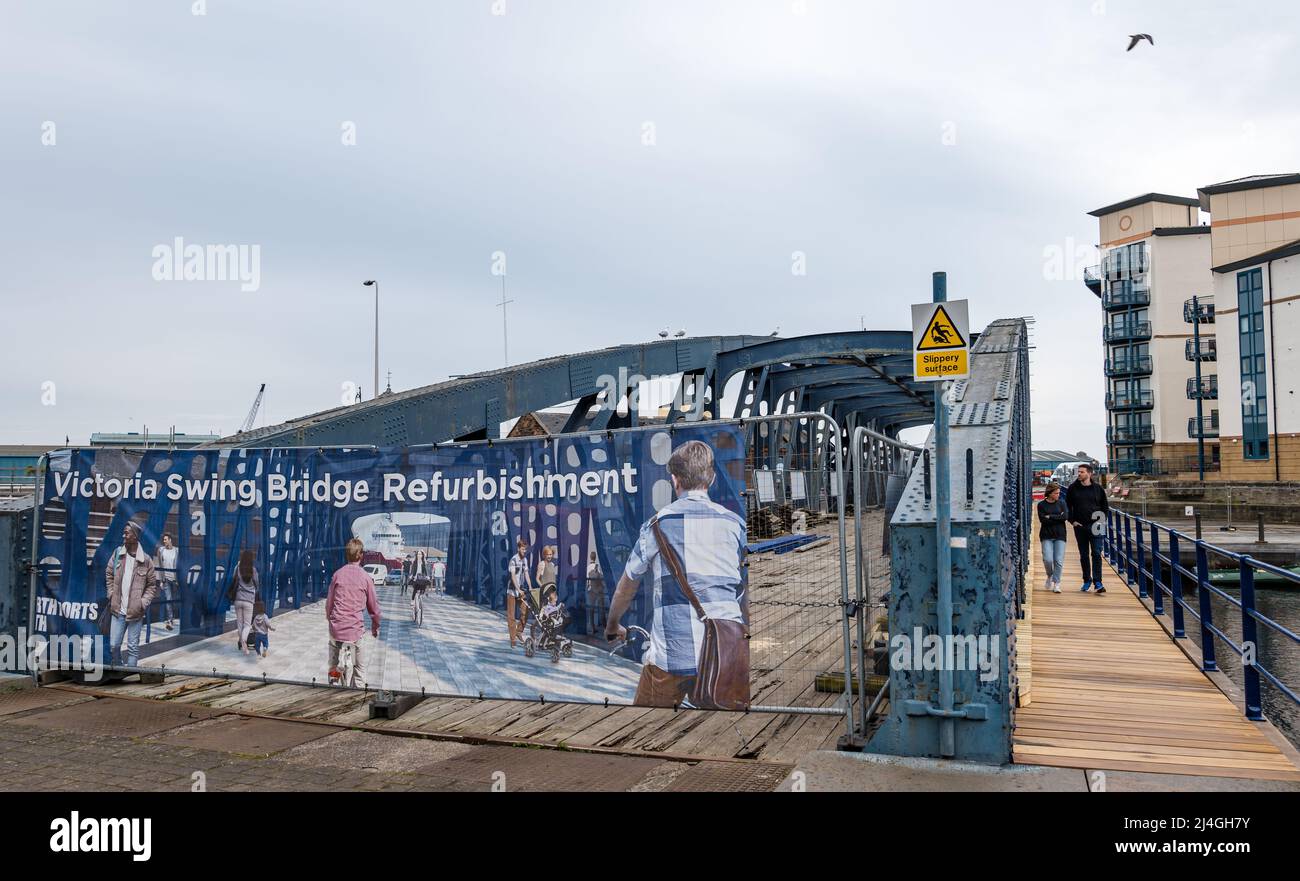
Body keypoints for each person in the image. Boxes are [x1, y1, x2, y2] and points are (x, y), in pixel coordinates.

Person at [606, 440, 749, 708]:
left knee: (642, 725)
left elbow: (626, 586)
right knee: (721, 730)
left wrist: (612, 625)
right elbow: (741, 588)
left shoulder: (657, 526)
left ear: (674, 480)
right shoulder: (735, 525)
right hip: (725, 652)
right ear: (713, 478)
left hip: (672, 657)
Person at [325, 538, 382, 687]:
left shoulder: (337, 575)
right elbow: (374, 609)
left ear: (346, 555)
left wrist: (330, 620)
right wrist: (375, 628)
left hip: (336, 630)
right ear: (361, 555)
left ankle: (333, 681)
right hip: (355, 631)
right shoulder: (366, 578)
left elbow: (329, 605)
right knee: (359, 670)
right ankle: (356, 695)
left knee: (333, 665)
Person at [106, 522, 160, 668]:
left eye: (127, 533)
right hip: (118, 609)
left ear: (135, 536)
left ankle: (129, 677)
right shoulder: (118, 554)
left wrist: (143, 602)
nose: (124, 535)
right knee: (113, 645)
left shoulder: (146, 560)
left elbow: (151, 585)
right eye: (124, 533)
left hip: (136, 611)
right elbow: (109, 574)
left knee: (133, 647)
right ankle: (118, 668)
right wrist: (111, 594)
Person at [1065, 463, 1110, 594]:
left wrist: (1101, 522)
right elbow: (1067, 506)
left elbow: (1105, 507)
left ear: (1090, 474)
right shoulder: (1073, 488)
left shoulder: (1098, 489)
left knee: (1096, 553)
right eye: (1078, 472)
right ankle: (1086, 580)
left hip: (1097, 525)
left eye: (1082, 472)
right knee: (1084, 555)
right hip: (1080, 526)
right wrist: (1072, 521)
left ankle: (1098, 582)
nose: (1079, 474)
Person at [1036, 483, 1068, 594]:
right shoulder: (1041, 505)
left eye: (1059, 493)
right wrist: (1057, 517)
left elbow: (1065, 517)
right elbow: (1042, 520)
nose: (1058, 495)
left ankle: (1057, 583)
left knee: (1058, 561)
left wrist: (1050, 516)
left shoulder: (1062, 503)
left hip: (1060, 535)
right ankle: (1049, 575)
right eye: (1056, 493)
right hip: (1046, 535)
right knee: (1048, 559)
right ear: (1049, 493)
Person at [226, 550, 259, 653]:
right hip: (249, 601)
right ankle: (244, 641)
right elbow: (257, 584)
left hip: (238, 600)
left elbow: (233, 580)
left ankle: (240, 641)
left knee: (239, 623)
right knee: (247, 624)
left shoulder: (237, 568)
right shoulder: (253, 570)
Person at [506, 538, 531, 648]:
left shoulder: (525, 560)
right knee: (511, 616)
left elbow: (526, 574)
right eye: (522, 549)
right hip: (512, 591)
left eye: (525, 549)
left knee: (525, 612)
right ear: (518, 549)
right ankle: (512, 639)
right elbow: (513, 577)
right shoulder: (513, 560)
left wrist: (530, 586)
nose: (524, 551)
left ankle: (519, 631)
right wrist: (518, 589)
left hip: (521, 590)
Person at [154, 532, 179, 631]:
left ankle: (173, 617)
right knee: (168, 599)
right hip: (166, 579)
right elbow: (160, 565)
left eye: (165, 539)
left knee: (174, 599)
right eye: (163, 540)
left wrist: (179, 580)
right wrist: (161, 580)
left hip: (175, 580)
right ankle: (170, 619)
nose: (164, 542)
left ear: (170, 540)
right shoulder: (161, 550)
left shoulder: (177, 551)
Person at [533, 545, 558, 642]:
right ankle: (540, 632)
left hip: (553, 591)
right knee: (545, 614)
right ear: (544, 555)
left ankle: (551, 635)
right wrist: (543, 587)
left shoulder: (552, 565)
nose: (549, 556)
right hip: (545, 592)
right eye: (548, 554)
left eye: (551, 554)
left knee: (554, 614)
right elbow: (537, 578)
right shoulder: (542, 564)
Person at [585, 550, 605, 636]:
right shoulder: (598, 566)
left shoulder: (588, 567)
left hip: (591, 590)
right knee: (602, 608)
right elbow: (601, 577)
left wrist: (587, 587)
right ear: (595, 557)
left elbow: (587, 579)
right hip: (599, 589)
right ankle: (604, 626)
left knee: (591, 609)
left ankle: (592, 627)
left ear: (590, 557)